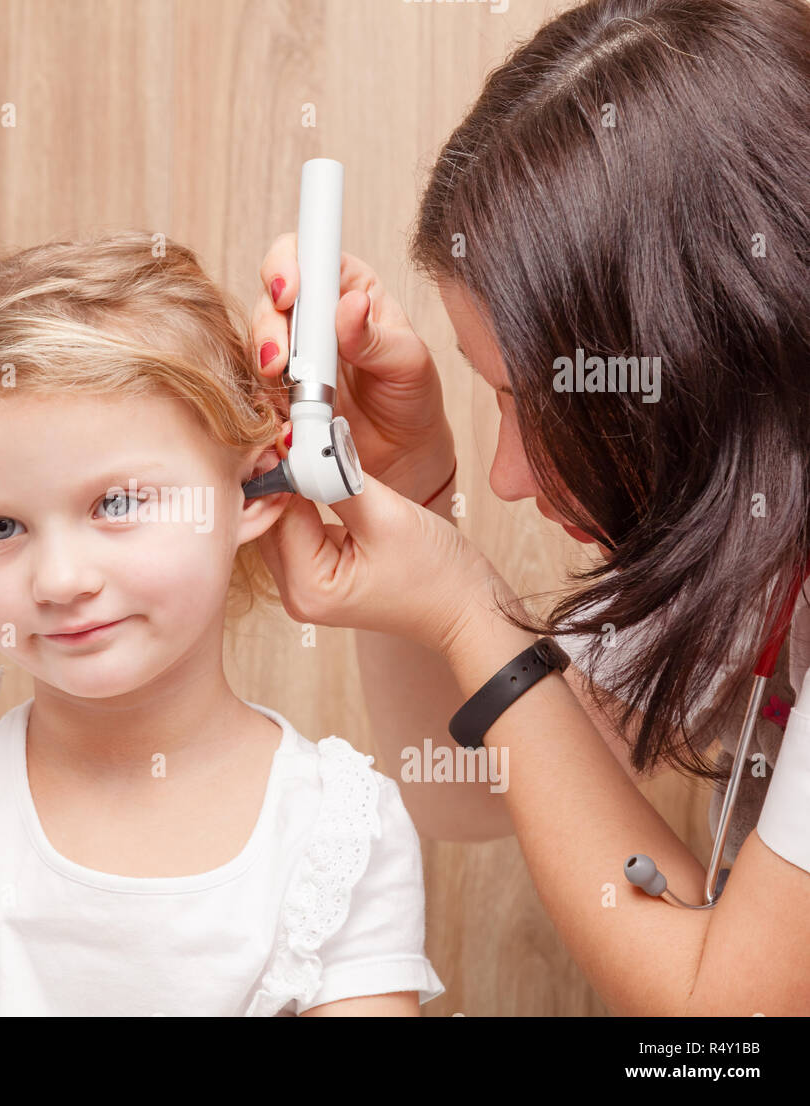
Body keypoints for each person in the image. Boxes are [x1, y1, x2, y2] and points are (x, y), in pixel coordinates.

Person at [249, 0, 810, 1014]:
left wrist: (468, 609)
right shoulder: (754, 514)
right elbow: (469, 784)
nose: (508, 472)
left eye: (528, 403)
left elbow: (731, 1019)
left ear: (699, 366)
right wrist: (408, 487)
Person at [0, 230, 445, 1016]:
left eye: (115, 504)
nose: (60, 580)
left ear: (259, 486)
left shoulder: (335, 836)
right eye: (1, 527)